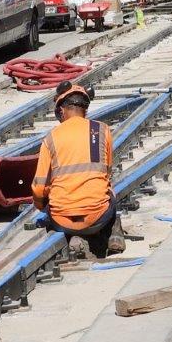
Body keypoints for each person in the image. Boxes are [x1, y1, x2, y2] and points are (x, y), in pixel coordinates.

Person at [31, 82, 125, 259]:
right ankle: (113, 231)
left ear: (61, 110)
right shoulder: (101, 130)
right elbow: (107, 174)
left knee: (53, 200)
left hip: (61, 220)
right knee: (109, 190)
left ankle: (74, 235)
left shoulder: (51, 138)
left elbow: (38, 188)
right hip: (98, 218)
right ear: (85, 110)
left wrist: (42, 205)